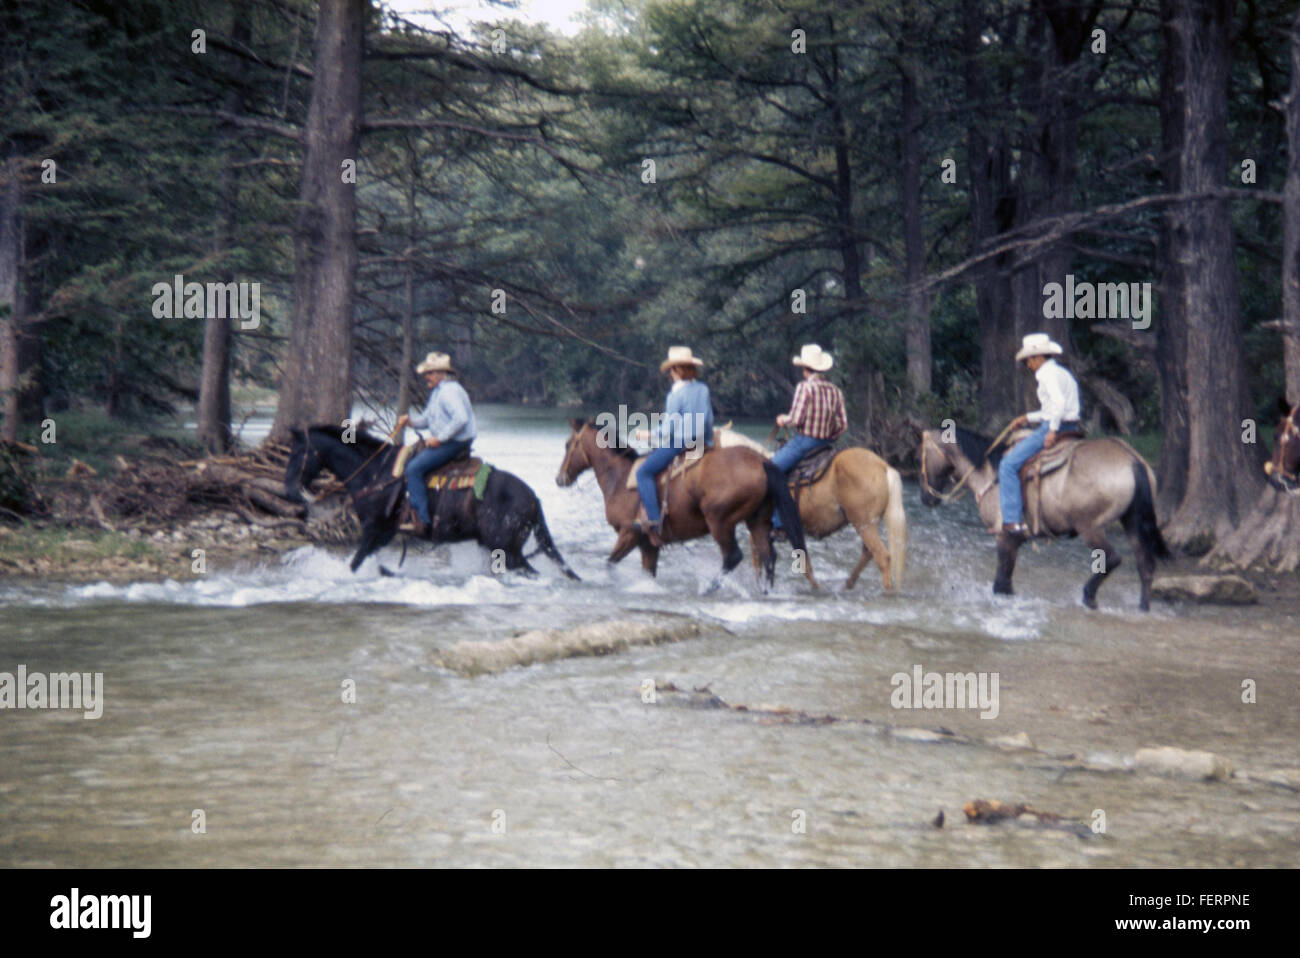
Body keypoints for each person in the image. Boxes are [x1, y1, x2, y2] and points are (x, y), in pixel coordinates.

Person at [998, 333, 1083, 540]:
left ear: (1038, 357)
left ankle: (1012, 522)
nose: (1028, 364)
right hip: (1072, 425)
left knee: (1008, 465)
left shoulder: (1045, 375)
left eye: (1029, 360)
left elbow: (1058, 406)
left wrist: (1052, 430)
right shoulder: (1062, 373)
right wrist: (1027, 417)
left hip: (1056, 427)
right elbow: (1053, 408)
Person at [632, 346, 714, 547]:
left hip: (681, 443)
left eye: (671, 370)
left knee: (643, 472)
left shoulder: (675, 395)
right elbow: (708, 420)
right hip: (703, 442)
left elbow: (668, 428)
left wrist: (648, 434)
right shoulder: (703, 389)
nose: (670, 374)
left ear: (678, 369)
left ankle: (653, 520)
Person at [395, 352, 476, 537]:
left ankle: (421, 520)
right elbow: (427, 419)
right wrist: (411, 422)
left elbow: (461, 419)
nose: (426, 377)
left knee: (413, 469)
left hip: (455, 443)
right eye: (426, 374)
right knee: (413, 460)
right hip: (450, 440)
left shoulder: (449, 392)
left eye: (430, 373)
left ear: (441, 373)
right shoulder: (438, 392)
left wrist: (440, 439)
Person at [770, 344, 848, 535]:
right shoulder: (835, 391)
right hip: (825, 444)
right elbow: (843, 424)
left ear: (805, 369)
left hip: (804, 441)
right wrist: (830, 435)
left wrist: (782, 420)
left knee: (770, 471)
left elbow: (796, 419)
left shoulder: (804, 388)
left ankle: (778, 524)